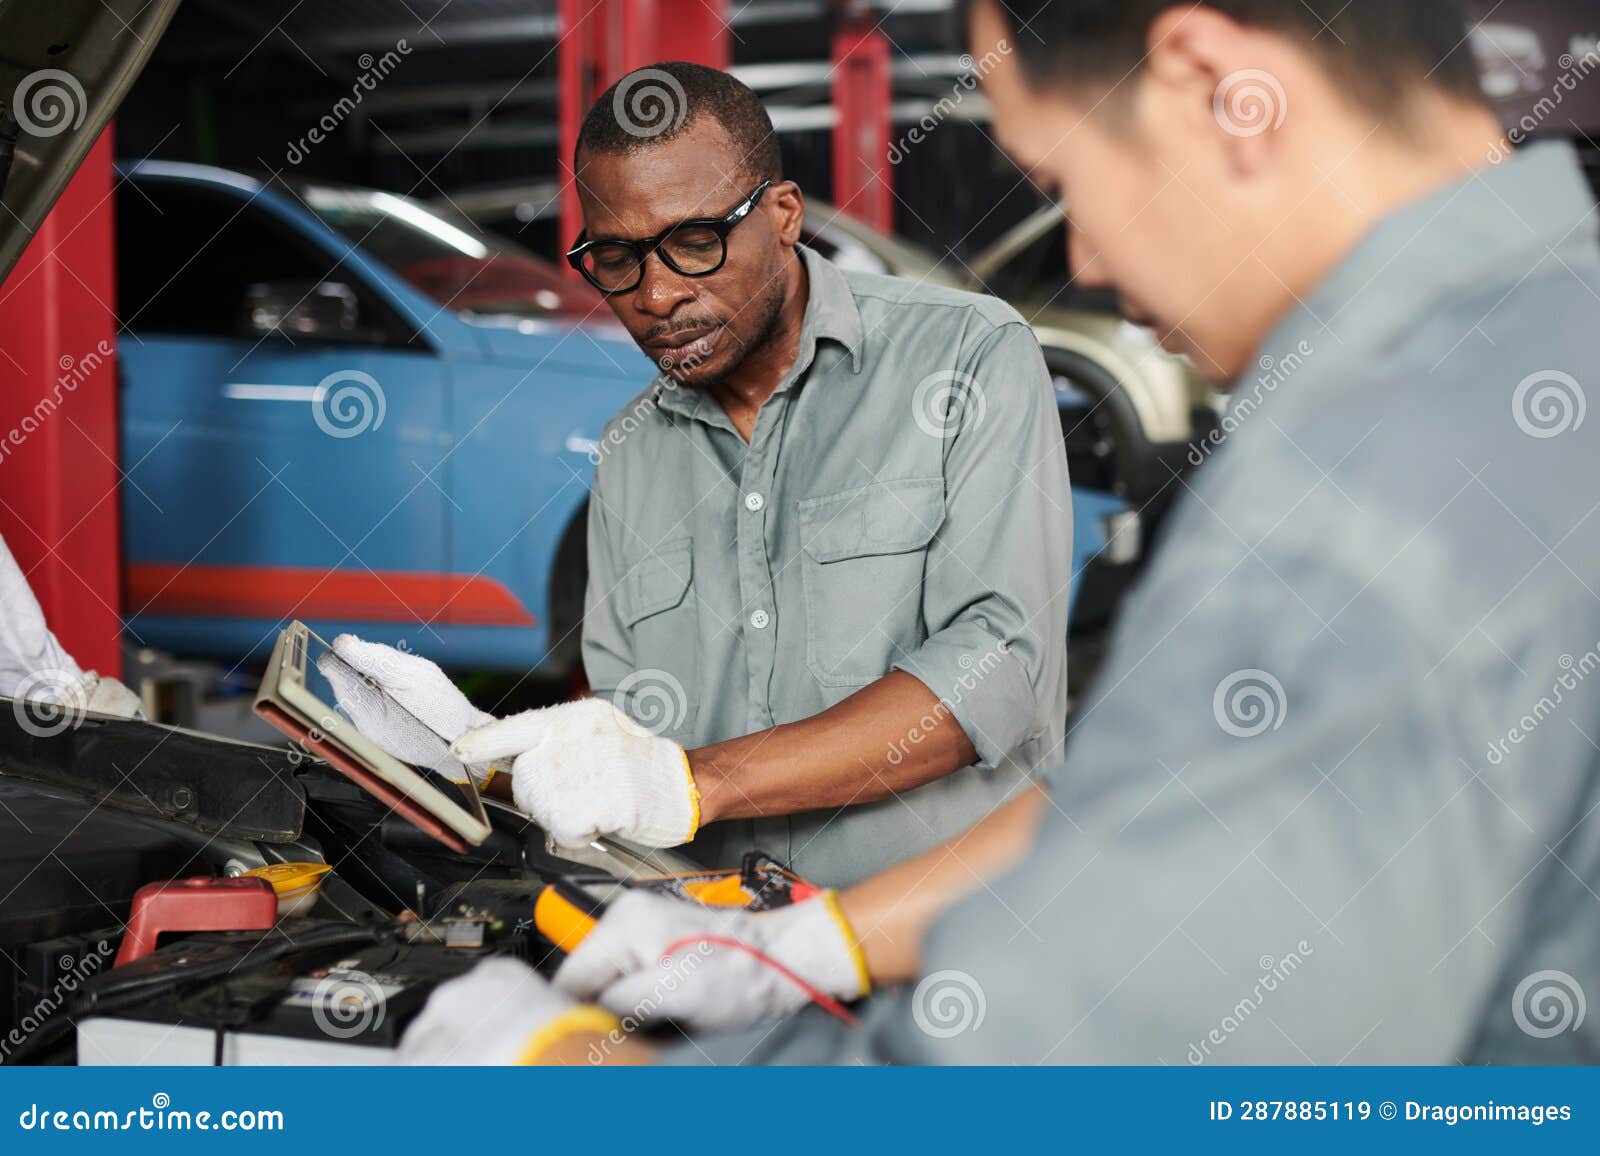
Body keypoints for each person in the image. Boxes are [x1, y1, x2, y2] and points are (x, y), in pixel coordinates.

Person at [399, 0, 1600, 1065]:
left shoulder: (1375, 478)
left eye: (1063, 180)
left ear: (1211, 87)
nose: (1082, 254)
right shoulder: (1533, 350)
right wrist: (809, 941)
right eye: (618, 261)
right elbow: (1159, 806)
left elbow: (1103, 1053)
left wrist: (572, 1075)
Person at [325, 63, 1073, 888]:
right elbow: (632, 751)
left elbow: (997, 670)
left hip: (947, 950)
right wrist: (475, 755)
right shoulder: (630, 455)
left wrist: (698, 785)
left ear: (783, 215)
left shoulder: (967, 357)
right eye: (616, 258)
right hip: (716, 961)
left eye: (693, 242)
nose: (655, 294)